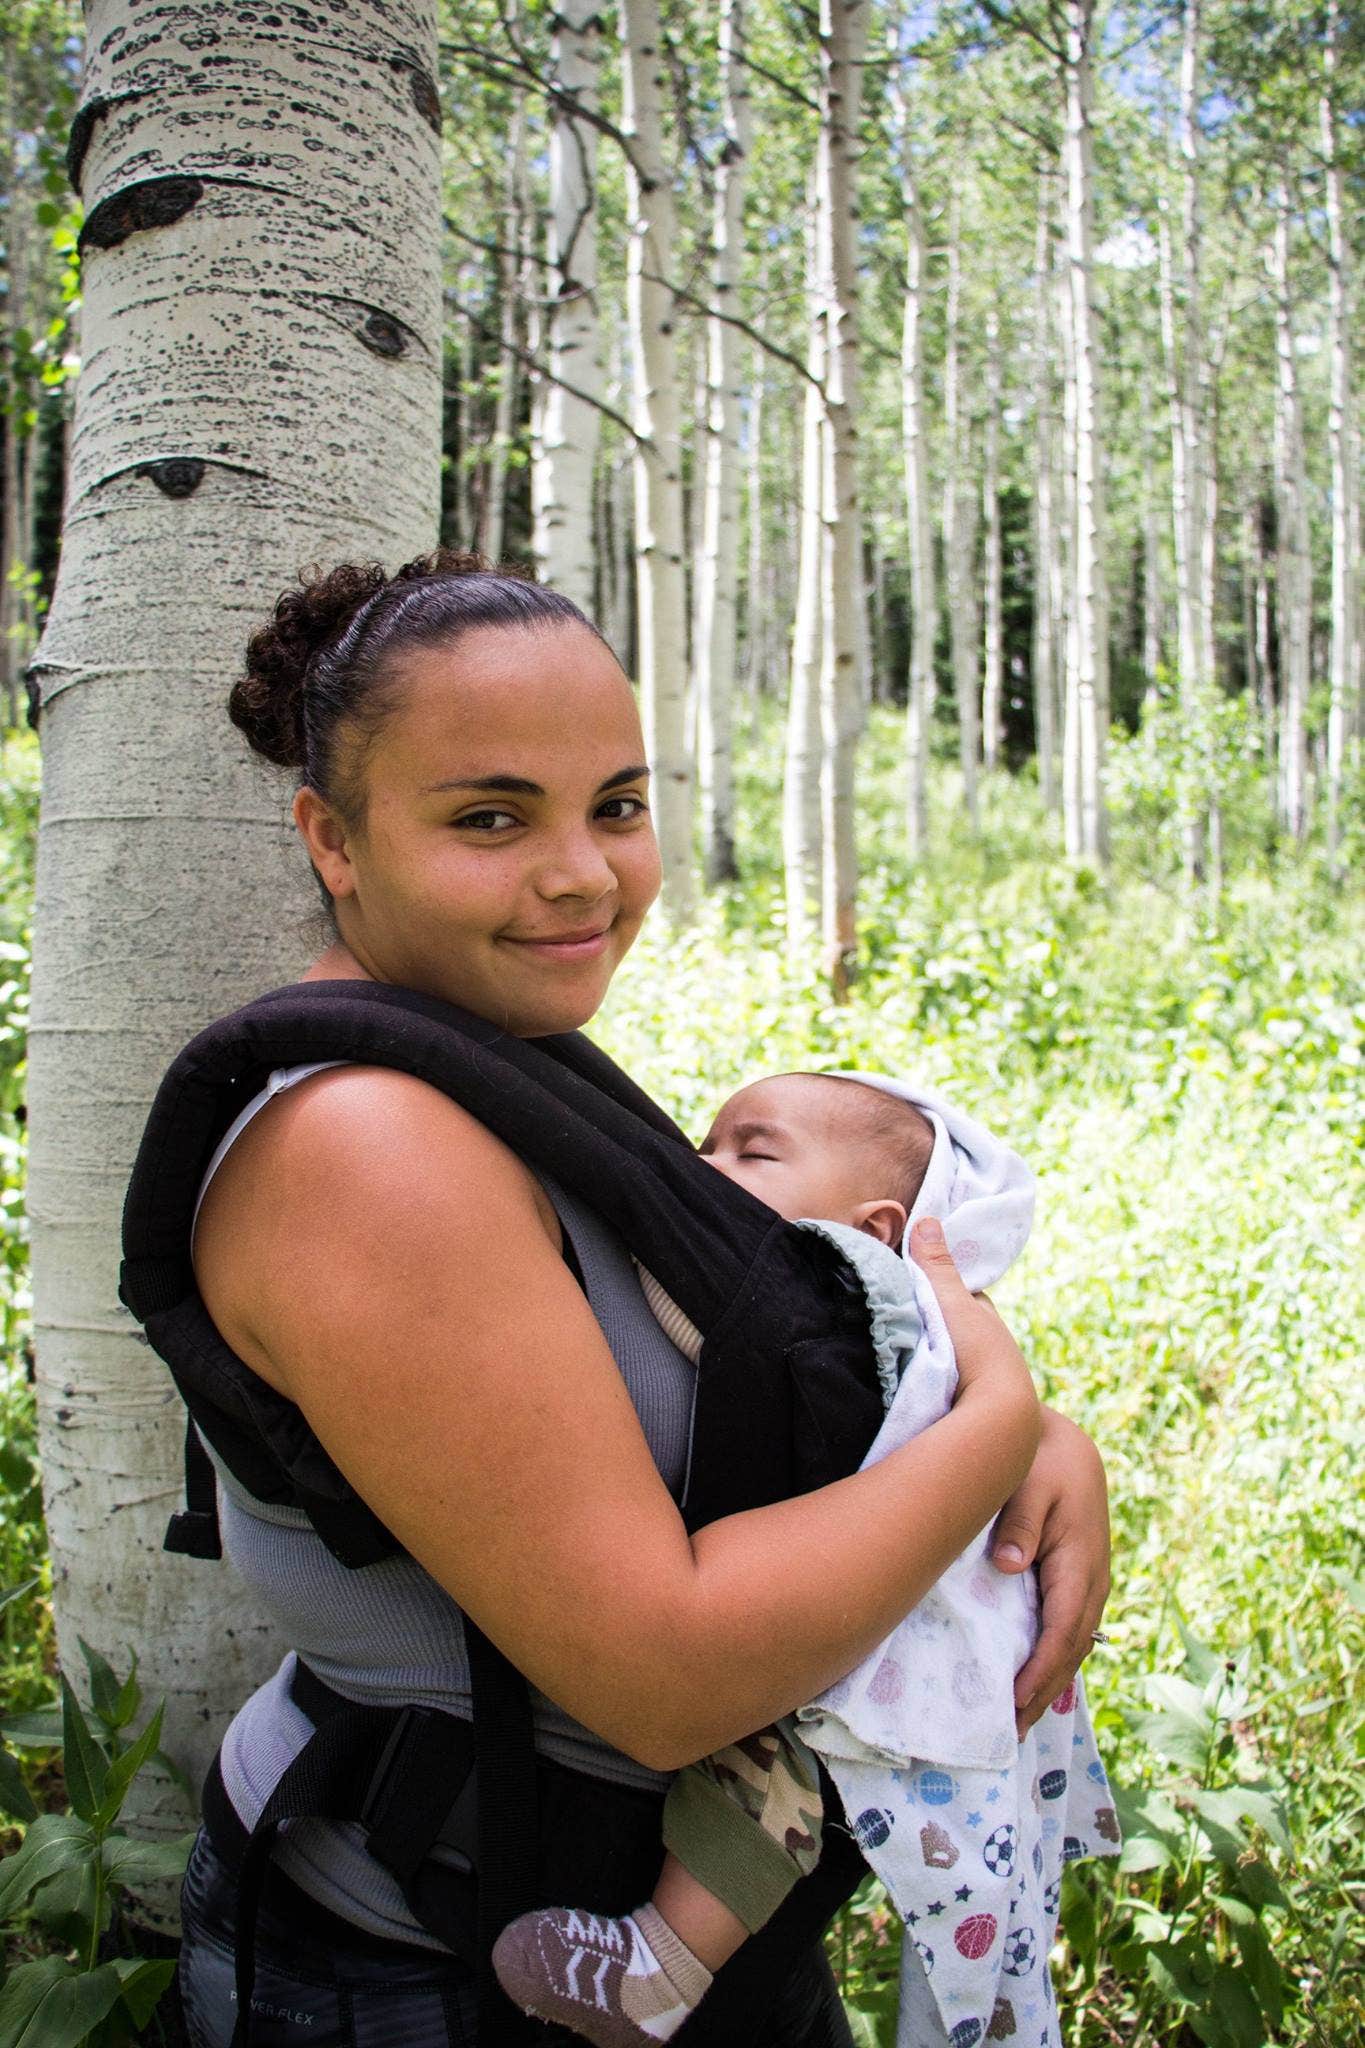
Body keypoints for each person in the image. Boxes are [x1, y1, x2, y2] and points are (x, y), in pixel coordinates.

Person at [166, 549, 1110, 2046]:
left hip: (632, 1949)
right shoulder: (365, 1149)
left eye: (616, 803)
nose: (584, 874)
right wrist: (995, 1427)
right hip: (430, 1972)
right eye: (490, 816)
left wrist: (1023, 1431)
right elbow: (664, 1681)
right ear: (330, 839)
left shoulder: (489, 1057)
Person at [492, 1073, 1117, 2048]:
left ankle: (664, 1965)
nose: (700, 1170)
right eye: (704, 1142)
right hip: (859, 1629)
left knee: (758, 1786)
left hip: (873, 1645)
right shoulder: (906, 1307)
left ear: (874, 1225)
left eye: (753, 1150)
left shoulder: (843, 1284)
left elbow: (685, 1316)